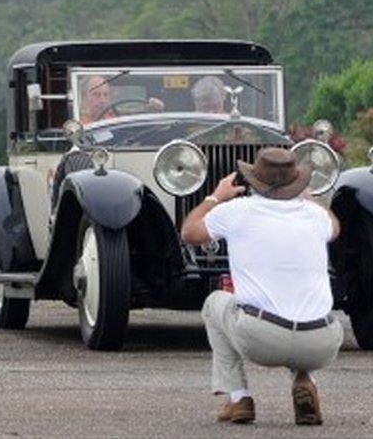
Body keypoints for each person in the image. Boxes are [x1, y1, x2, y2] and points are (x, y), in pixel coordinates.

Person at [180, 147, 343, 426]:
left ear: (254, 181)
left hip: (262, 340)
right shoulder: (315, 216)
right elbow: (335, 227)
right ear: (295, 182)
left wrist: (215, 197)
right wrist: (310, 198)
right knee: (299, 303)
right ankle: (305, 378)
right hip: (322, 342)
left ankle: (238, 398)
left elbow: (189, 232)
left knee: (215, 303)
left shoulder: (236, 211)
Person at [78, 74, 165, 124]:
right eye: (96, 95)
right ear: (84, 97)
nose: (102, 100)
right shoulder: (77, 124)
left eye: (106, 95)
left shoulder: (115, 117)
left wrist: (155, 113)